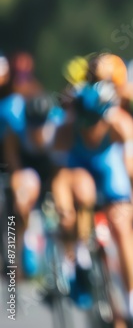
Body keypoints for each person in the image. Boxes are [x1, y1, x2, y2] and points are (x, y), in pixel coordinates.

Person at [51, 81, 133, 320]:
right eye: (84, 123)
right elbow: (59, 178)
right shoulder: (65, 130)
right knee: (76, 201)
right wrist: (64, 211)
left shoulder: (121, 124)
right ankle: (78, 259)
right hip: (78, 173)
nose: (89, 129)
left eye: (94, 123)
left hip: (110, 170)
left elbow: (132, 171)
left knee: (122, 228)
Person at [3, 94, 64, 278]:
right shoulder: (15, 130)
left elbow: (62, 165)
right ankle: (25, 241)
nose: (36, 131)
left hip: (52, 169)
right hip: (27, 170)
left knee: (64, 204)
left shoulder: (58, 128)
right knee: (23, 191)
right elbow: (14, 165)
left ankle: (69, 260)